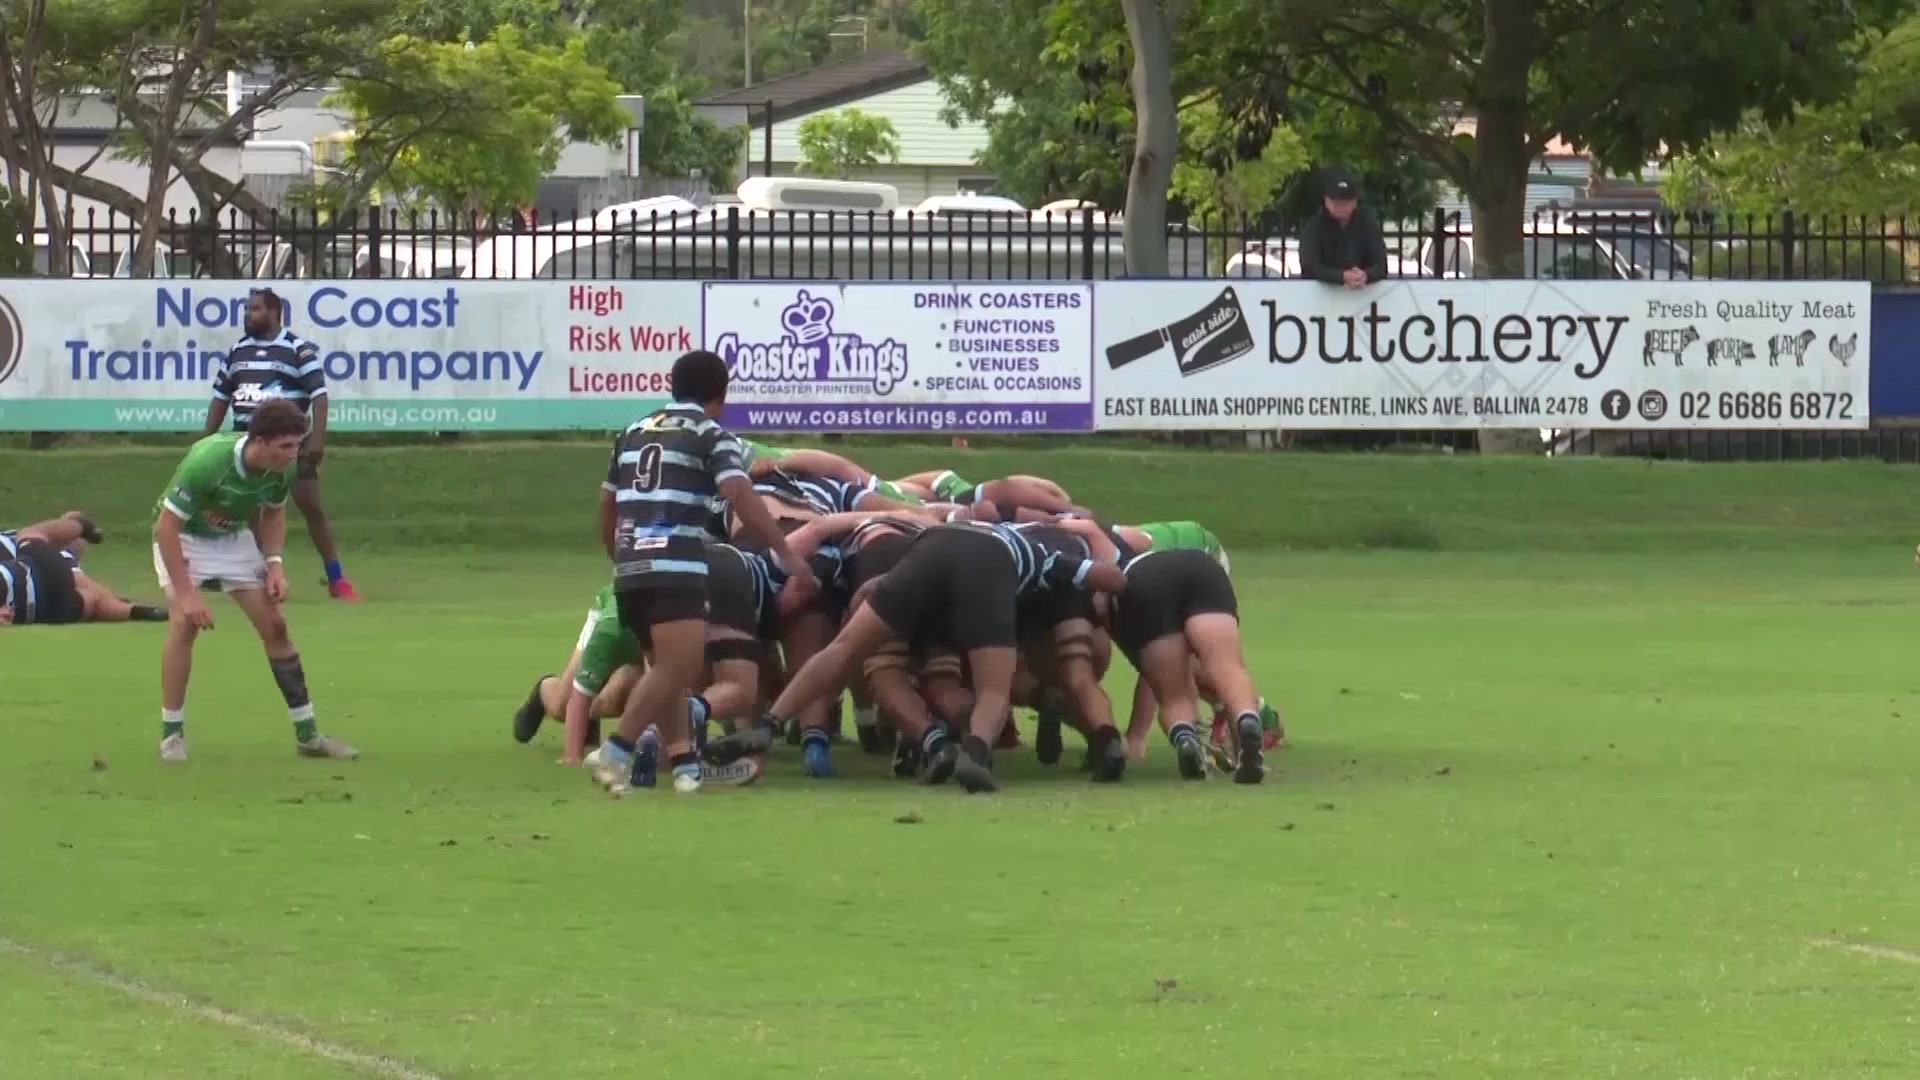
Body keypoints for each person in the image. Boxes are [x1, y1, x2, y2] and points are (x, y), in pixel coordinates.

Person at [711, 520, 1129, 794]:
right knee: (993, 690)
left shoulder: (958, 525)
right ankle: (975, 755)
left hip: (929, 548)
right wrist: (1107, 573)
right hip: (990, 565)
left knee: (844, 649)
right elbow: (1109, 579)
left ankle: (770, 724)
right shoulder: (1040, 554)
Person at [588, 349, 811, 796]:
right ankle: (616, 749)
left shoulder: (632, 431)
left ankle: (685, 764)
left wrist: (618, 554)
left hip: (631, 567)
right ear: (721, 395)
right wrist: (785, 550)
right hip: (677, 566)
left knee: (665, 670)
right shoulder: (711, 434)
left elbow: (607, 503)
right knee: (680, 666)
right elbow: (740, 494)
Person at [152, 398, 357, 762]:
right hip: (183, 539)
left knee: (275, 627)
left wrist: (274, 564)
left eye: (297, 445)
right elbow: (165, 527)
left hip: (233, 539)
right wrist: (187, 595)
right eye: (285, 446)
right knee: (184, 623)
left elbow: (274, 513)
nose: (293, 454)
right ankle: (171, 737)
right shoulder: (208, 460)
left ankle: (309, 736)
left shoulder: (283, 470)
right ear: (259, 440)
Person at [202, 288, 359, 600]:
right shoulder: (238, 351)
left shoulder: (297, 350)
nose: (248, 315)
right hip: (246, 444)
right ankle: (259, 575)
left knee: (311, 507)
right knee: (246, 511)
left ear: (274, 312)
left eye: (255, 309)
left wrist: (317, 441)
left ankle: (336, 578)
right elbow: (221, 397)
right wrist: (206, 440)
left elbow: (319, 396)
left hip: (290, 445)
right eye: (247, 309)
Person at [1104, 547, 1270, 784]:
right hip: (1201, 566)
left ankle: (1185, 737)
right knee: (1229, 669)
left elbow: (1150, 680)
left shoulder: (1105, 584)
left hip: (1144, 581)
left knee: (1173, 694)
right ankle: (1247, 723)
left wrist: (1136, 737)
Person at [1298, 168, 1388, 290]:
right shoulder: (1314, 227)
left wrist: (1365, 275)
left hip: (1362, 293)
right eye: (1336, 201)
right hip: (1321, 294)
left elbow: (1381, 265)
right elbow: (1310, 266)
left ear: (1355, 202)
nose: (1341, 206)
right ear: (1326, 201)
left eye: (1346, 201)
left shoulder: (1368, 225)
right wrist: (1342, 276)